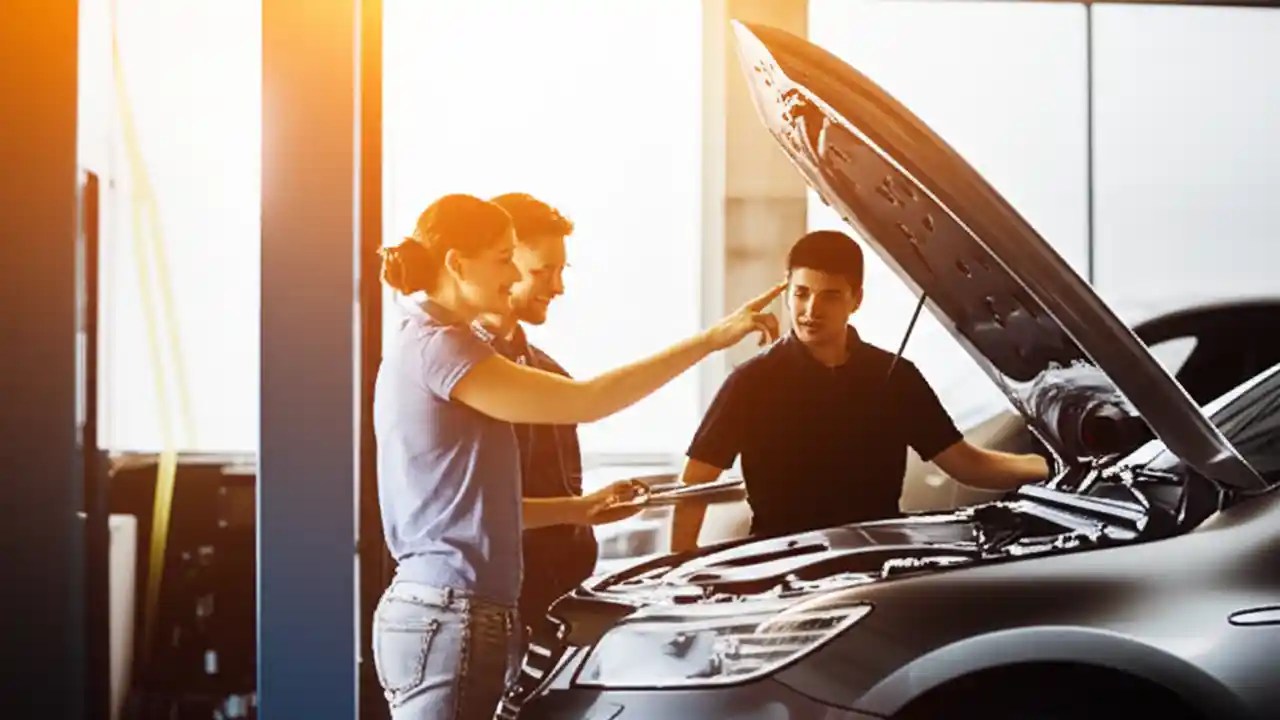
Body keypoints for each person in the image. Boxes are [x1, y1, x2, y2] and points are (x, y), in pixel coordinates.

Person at [371, 193, 783, 720]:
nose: (512, 276)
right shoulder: (443, 348)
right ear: (456, 262)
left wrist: (578, 509)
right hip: (451, 614)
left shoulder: (427, 345)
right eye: (502, 259)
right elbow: (589, 401)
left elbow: (472, 506)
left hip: (450, 612)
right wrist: (712, 339)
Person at [670, 230, 1049, 551]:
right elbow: (694, 482)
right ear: (787, 293)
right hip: (780, 568)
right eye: (801, 293)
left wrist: (1054, 468)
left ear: (857, 300)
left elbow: (968, 465)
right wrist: (678, 574)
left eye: (829, 295)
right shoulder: (750, 383)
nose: (810, 309)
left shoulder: (896, 377)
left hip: (880, 561)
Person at [471, 192, 642, 643]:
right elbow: (478, 511)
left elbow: (567, 488)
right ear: (500, 267)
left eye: (561, 270)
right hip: (491, 612)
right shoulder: (462, 376)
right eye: (542, 271)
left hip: (551, 612)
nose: (558, 286)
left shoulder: (549, 373)